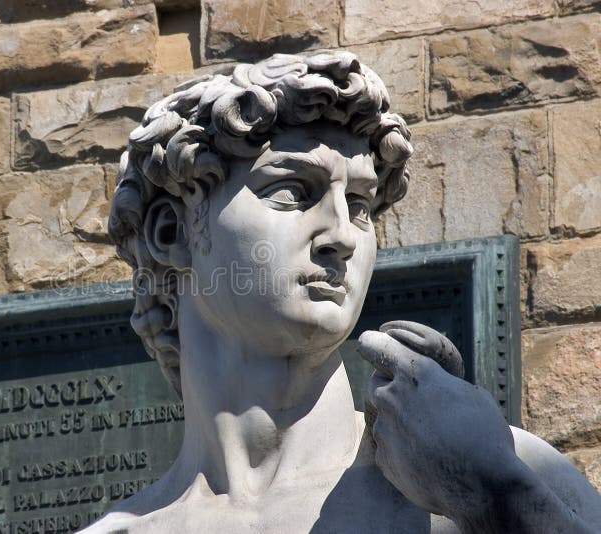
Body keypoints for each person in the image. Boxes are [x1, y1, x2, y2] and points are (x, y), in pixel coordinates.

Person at [85, 51, 601, 533]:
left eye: (358, 204)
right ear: (171, 232)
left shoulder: (500, 471)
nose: (341, 235)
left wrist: (492, 498)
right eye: (292, 192)